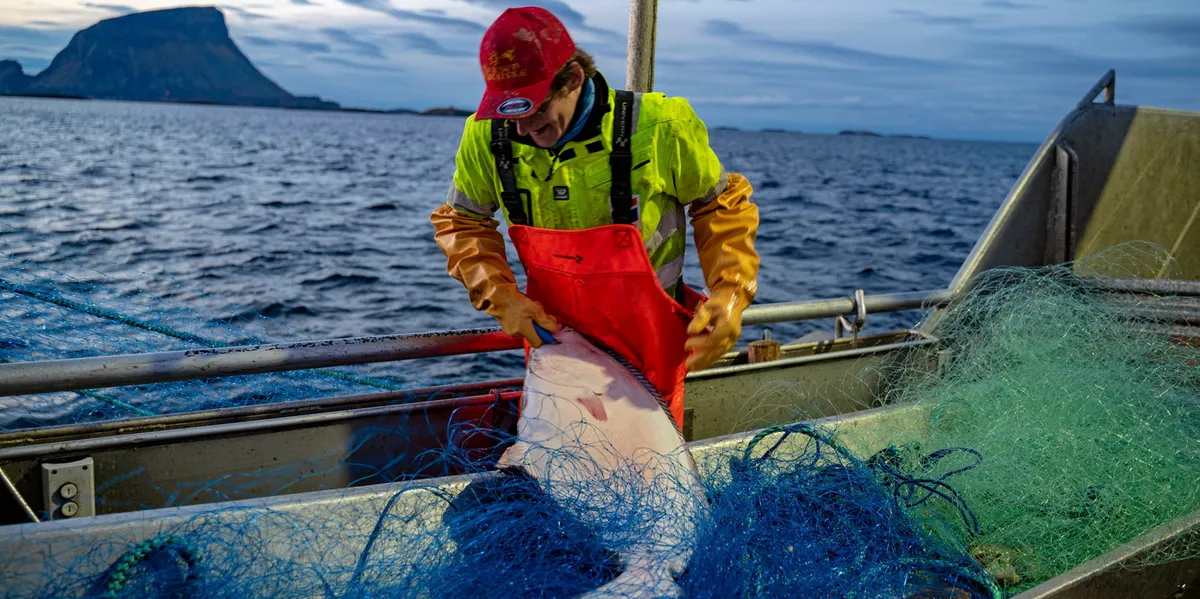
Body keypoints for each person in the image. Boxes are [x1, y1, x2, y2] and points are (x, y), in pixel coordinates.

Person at [430, 6, 760, 428]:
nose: (521, 132)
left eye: (533, 113)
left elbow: (721, 204)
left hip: (649, 351)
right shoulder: (486, 134)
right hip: (554, 344)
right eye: (508, 115)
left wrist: (729, 293)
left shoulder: (662, 124)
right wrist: (501, 297)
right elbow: (463, 222)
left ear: (571, 80)